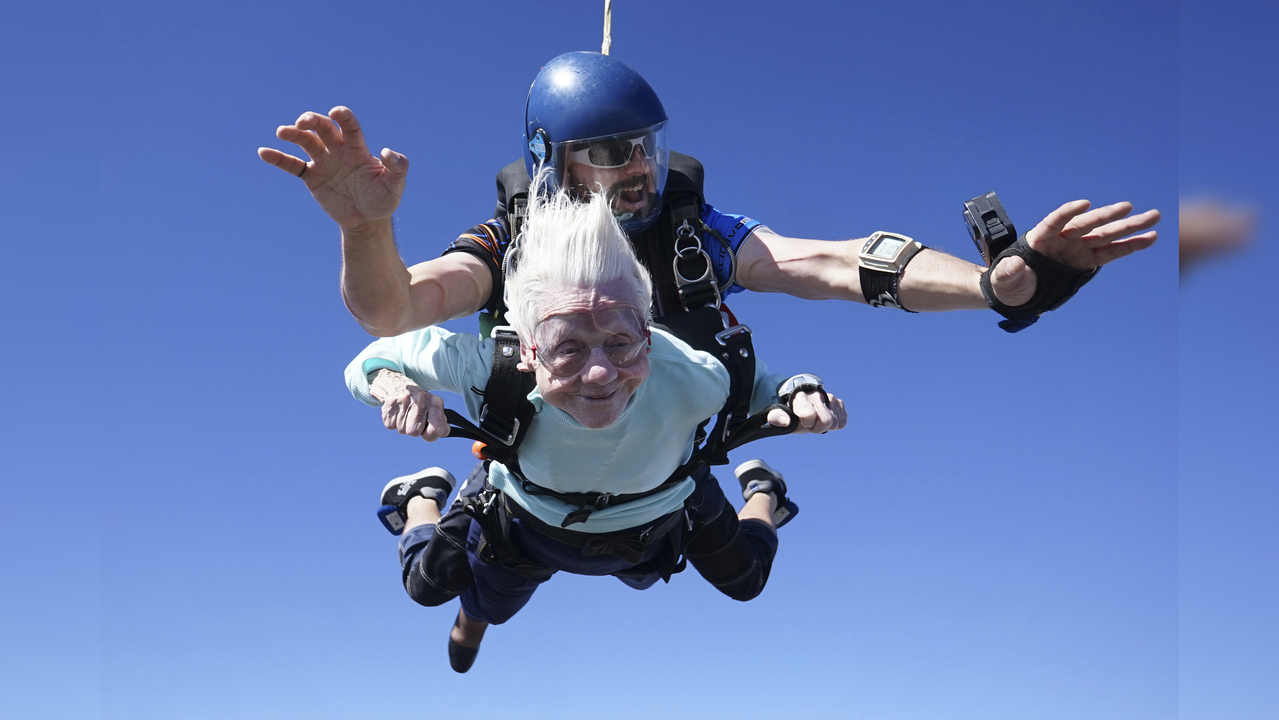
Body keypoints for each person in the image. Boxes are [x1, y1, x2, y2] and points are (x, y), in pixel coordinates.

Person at [258, 51, 1161, 341]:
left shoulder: (698, 232)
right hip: (538, 470)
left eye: (643, 146)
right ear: (550, 165)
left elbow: (839, 264)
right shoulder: (513, 236)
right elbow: (395, 310)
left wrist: (995, 286)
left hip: (659, 468)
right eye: (607, 153)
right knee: (491, 575)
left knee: (731, 570)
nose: (638, 169)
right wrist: (366, 232)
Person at [344, 182, 847, 672]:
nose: (602, 373)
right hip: (526, 521)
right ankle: (422, 500)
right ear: (526, 350)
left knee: (747, 579)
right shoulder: (490, 367)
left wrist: (801, 392)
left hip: (660, 516)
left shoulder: (694, 372)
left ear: (648, 335)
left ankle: (765, 495)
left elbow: (759, 382)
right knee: (433, 588)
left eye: (622, 342)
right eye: (568, 349)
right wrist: (395, 386)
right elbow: (372, 357)